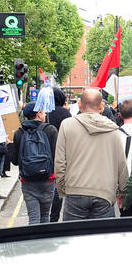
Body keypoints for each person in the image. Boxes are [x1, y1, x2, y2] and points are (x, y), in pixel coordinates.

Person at [54, 87, 127, 220]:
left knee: (73, 238)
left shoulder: (67, 125)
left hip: (75, 189)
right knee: (102, 238)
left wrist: (62, 188)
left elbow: (59, 161)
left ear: (80, 104)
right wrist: (122, 190)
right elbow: (121, 164)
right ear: (101, 106)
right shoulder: (113, 129)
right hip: (104, 192)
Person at [9, 103, 59, 224]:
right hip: (48, 179)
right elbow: (56, 157)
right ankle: (44, 242)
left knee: (33, 218)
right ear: (38, 114)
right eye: (43, 111)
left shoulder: (19, 133)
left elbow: (15, 161)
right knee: (45, 216)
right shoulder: (50, 130)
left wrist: (9, 145)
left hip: (28, 181)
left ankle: (33, 242)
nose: (45, 114)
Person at [46, 89, 73, 222]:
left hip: (44, 153)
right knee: (58, 184)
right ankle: (54, 216)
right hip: (61, 152)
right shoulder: (65, 113)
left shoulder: (44, 112)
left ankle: (44, 214)